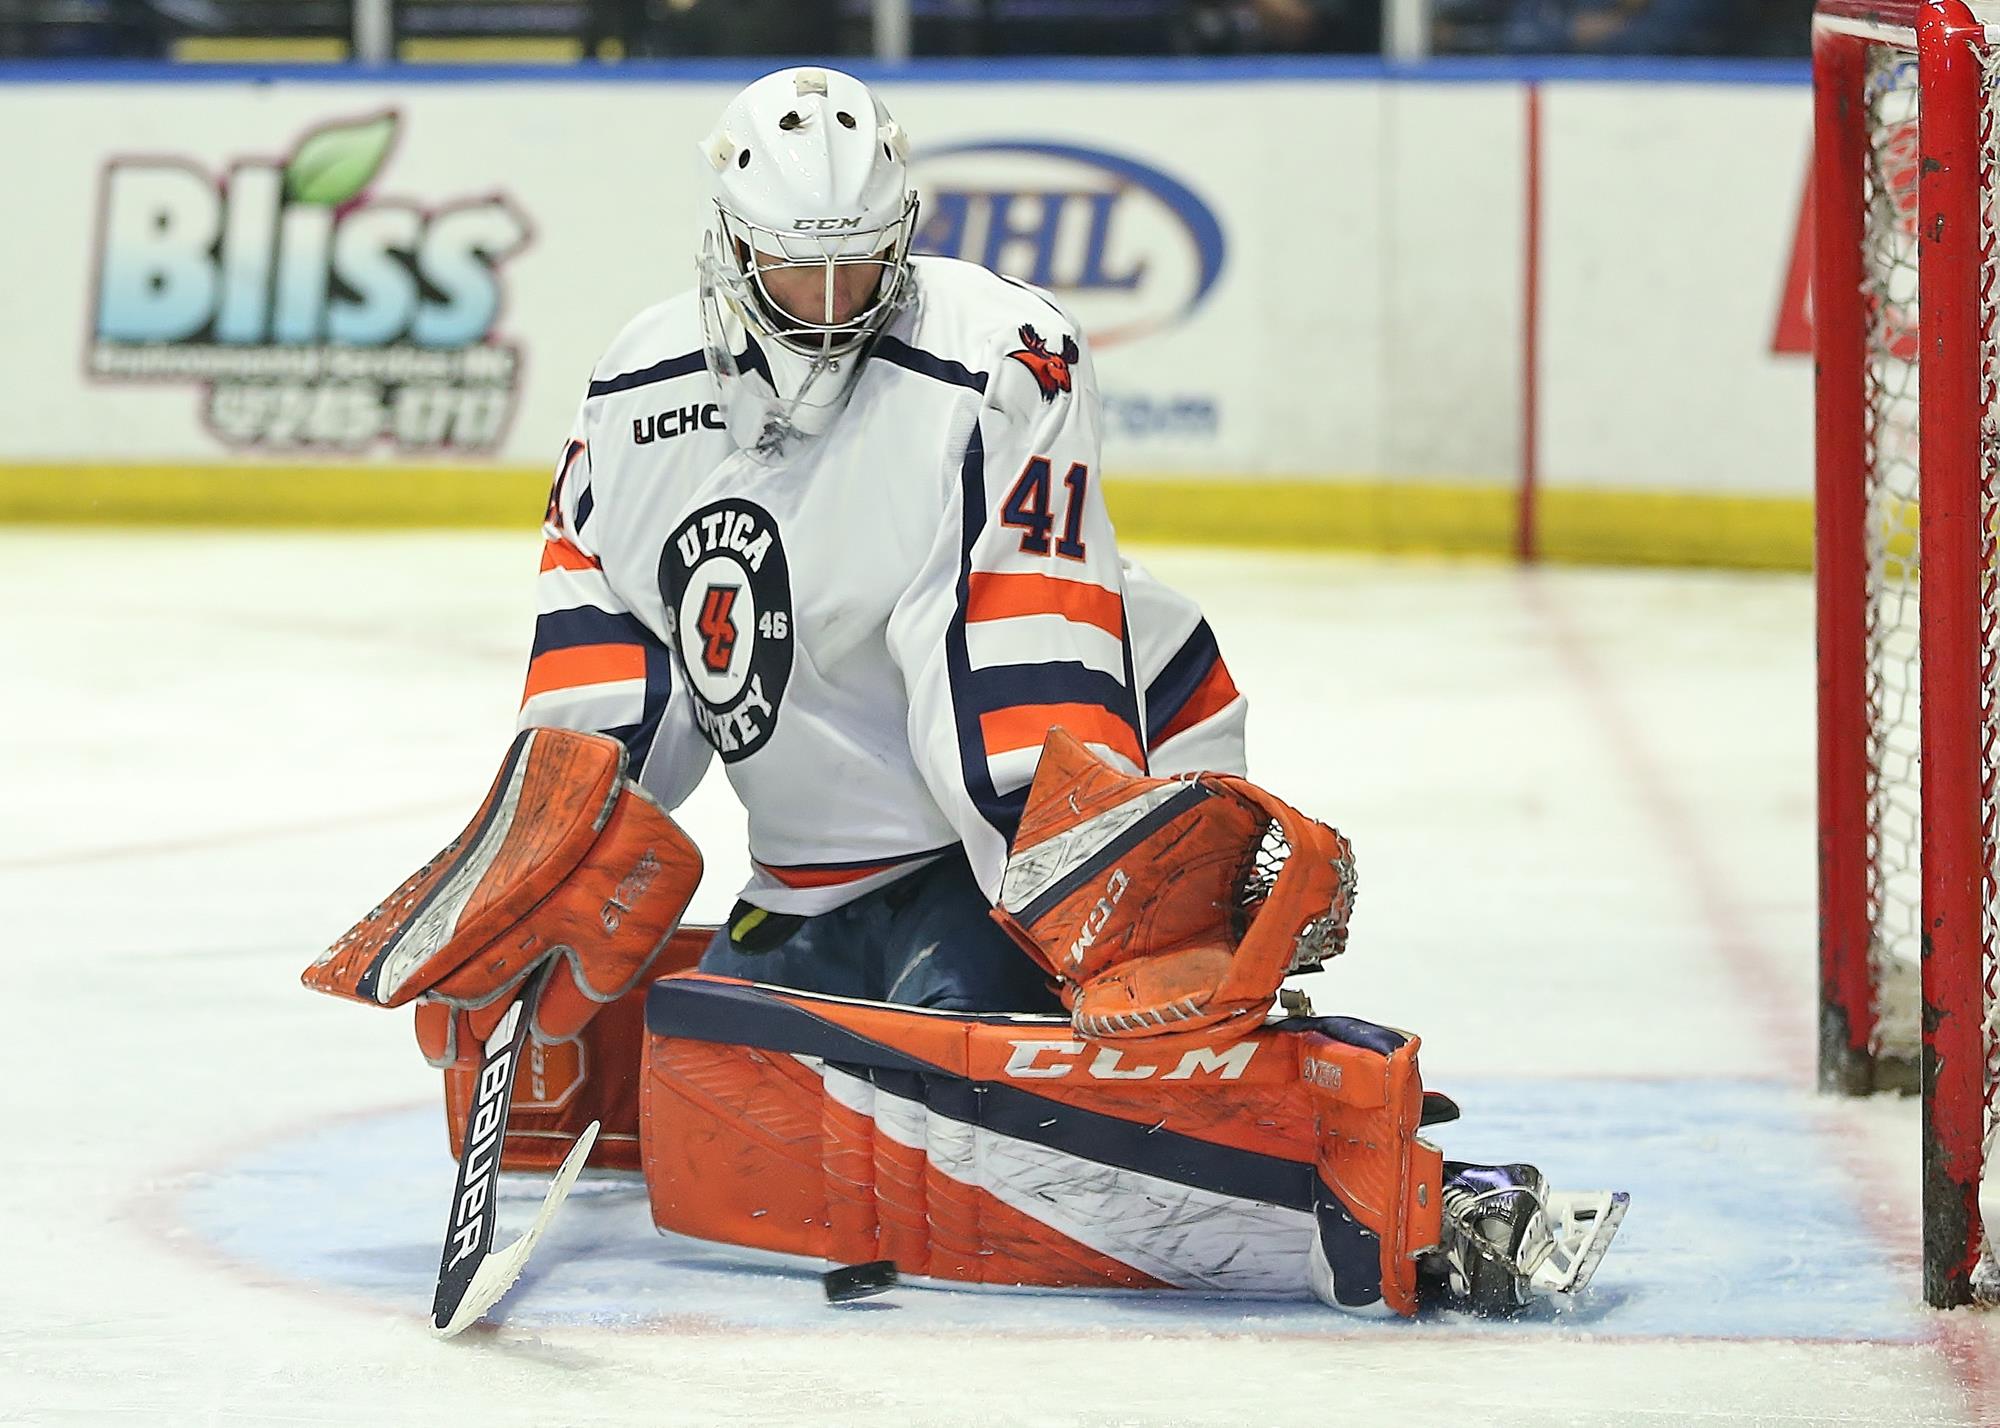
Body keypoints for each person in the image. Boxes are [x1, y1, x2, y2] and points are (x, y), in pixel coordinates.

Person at [308, 67, 1625, 1325]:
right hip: (810, 876)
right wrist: (547, 855)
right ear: (727, 245)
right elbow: (606, 662)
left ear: (905, 237)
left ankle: (1418, 1193)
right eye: (793, 265)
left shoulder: (1003, 353)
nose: (827, 301)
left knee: (976, 1116)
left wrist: (1092, 912)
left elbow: (1008, 650)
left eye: (858, 264)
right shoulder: (635, 389)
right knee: (745, 1114)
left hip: (1018, 844)